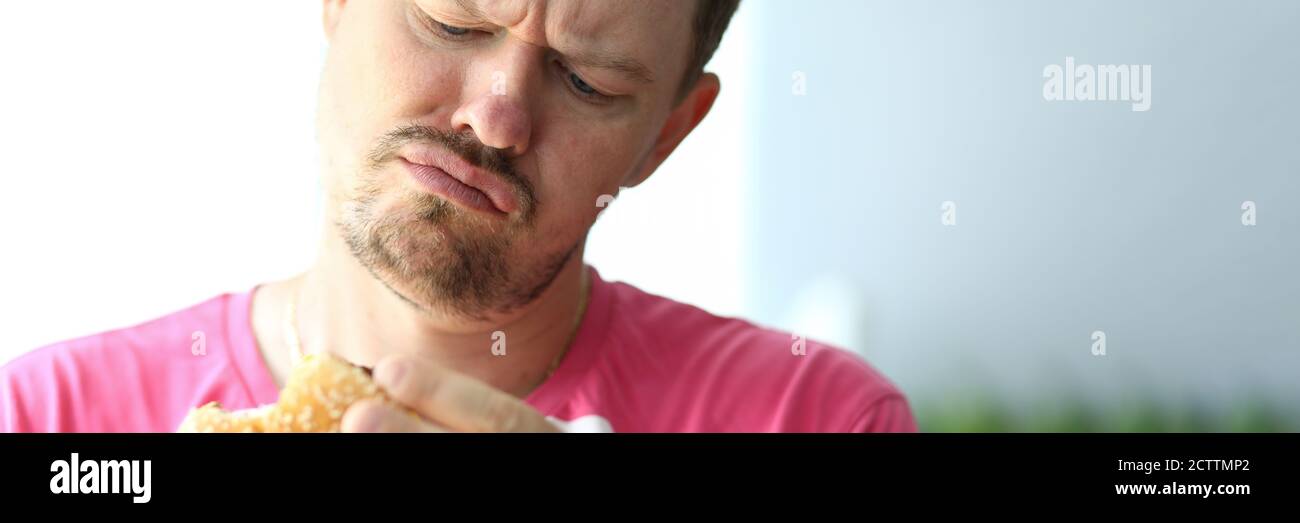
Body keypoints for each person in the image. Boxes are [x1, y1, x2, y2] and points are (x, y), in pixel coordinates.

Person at [1, 0, 915, 433]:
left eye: (587, 81)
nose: (498, 114)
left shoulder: (815, 416)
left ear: (666, 136)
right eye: (450, 21)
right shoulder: (49, 420)